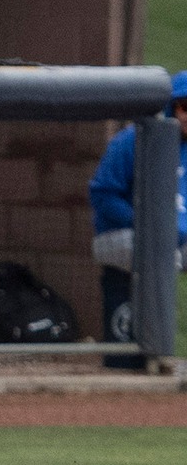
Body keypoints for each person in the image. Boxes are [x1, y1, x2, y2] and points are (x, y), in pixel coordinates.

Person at [87, 70, 187, 368]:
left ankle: (157, 351)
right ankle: (147, 353)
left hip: (175, 241)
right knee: (161, 254)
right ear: (171, 107)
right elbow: (102, 195)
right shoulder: (132, 141)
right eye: (184, 107)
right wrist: (149, 226)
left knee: (167, 251)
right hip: (121, 235)